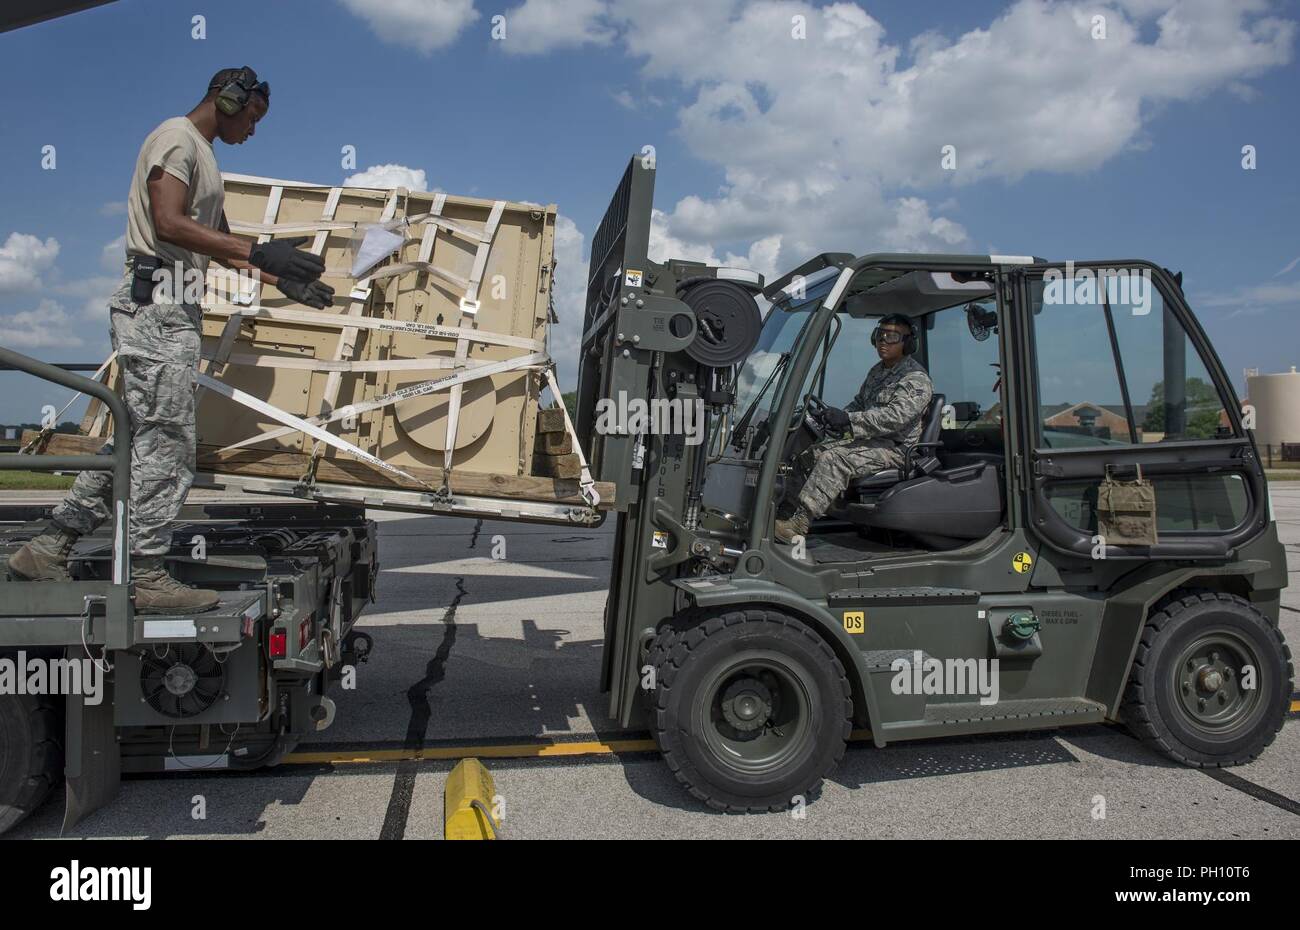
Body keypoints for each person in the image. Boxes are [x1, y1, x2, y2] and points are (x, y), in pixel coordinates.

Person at [8, 67, 334, 612]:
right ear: (229, 99)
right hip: (157, 306)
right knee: (169, 446)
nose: (252, 131)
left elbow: (221, 246)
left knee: (136, 446)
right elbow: (168, 222)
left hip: (173, 304)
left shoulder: (205, 156)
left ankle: (47, 547)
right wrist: (258, 251)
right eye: (251, 118)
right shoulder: (176, 139)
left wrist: (284, 281)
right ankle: (148, 577)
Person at [775, 314, 934, 543]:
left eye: (892, 336)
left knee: (833, 459)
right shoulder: (877, 371)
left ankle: (799, 523)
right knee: (810, 454)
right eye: (880, 335)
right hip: (872, 442)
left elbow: (895, 417)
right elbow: (860, 403)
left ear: (908, 343)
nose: (883, 341)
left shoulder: (915, 379)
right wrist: (833, 416)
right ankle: (786, 513)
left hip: (896, 450)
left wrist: (849, 421)